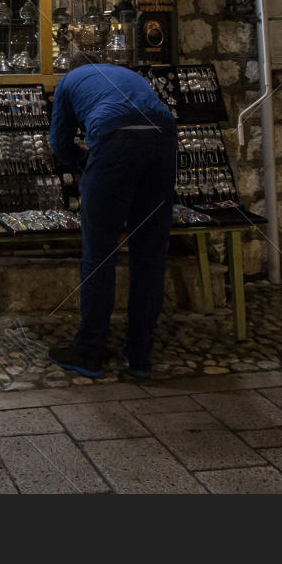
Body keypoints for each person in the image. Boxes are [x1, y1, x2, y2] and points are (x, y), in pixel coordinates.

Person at [48, 62, 176, 381]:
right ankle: (140, 355)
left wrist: (84, 163)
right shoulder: (127, 75)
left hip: (115, 138)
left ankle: (89, 352)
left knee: (100, 254)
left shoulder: (67, 82)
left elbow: (59, 143)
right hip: (164, 137)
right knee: (149, 255)